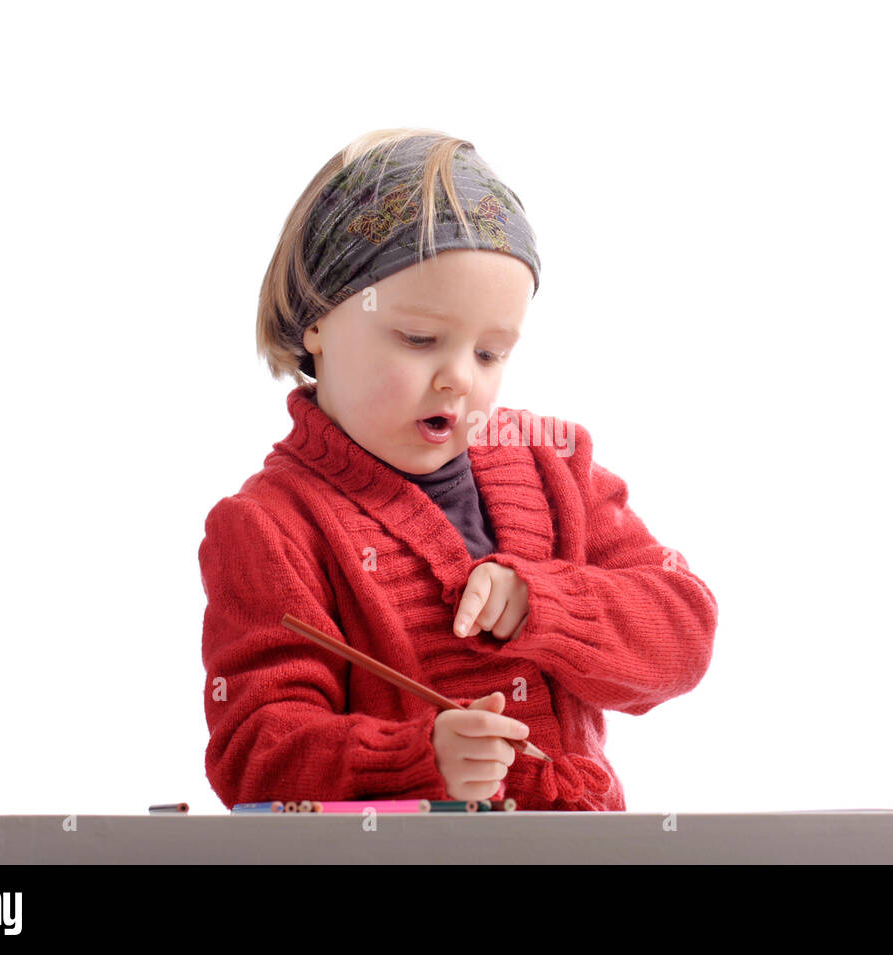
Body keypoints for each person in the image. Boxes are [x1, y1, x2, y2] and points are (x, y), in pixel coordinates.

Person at [198, 127, 719, 810]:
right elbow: (258, 752)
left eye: (491, 353)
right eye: (419, 339)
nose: (456, 379)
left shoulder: (556, 464)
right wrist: (417, 760)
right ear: (317, 320)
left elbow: (682, 631)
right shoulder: (268, 527)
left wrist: (547, 602)